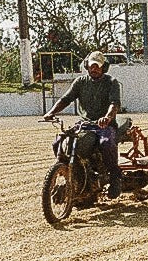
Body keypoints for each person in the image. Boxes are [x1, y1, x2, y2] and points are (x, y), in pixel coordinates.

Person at [43, 50, 123, 198]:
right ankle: (75, 173)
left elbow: (114, 104)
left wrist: (107, 117)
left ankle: (114, 177)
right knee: (58, 142)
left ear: (103, 67)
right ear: (87, 66)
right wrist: (51, 112)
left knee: (106, 143)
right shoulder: (80, 82)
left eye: (98, 66)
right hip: (84, 124)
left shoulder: (111, 82)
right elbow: (66, 99)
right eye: (92, 66)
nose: (94, 69)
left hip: (104, 125)